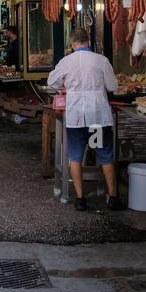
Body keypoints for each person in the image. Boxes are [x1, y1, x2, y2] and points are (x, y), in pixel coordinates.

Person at [47, 27, 125, 212]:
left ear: (73, 44)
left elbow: (52, 82)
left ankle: (80, 199)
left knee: (75, 156)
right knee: (103, 155)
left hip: (76, 118)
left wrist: (65, 86)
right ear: (87, 41)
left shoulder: (67, 61)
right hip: (96, 118)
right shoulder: (101, 60)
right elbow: (112, 85)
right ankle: (113, 197)